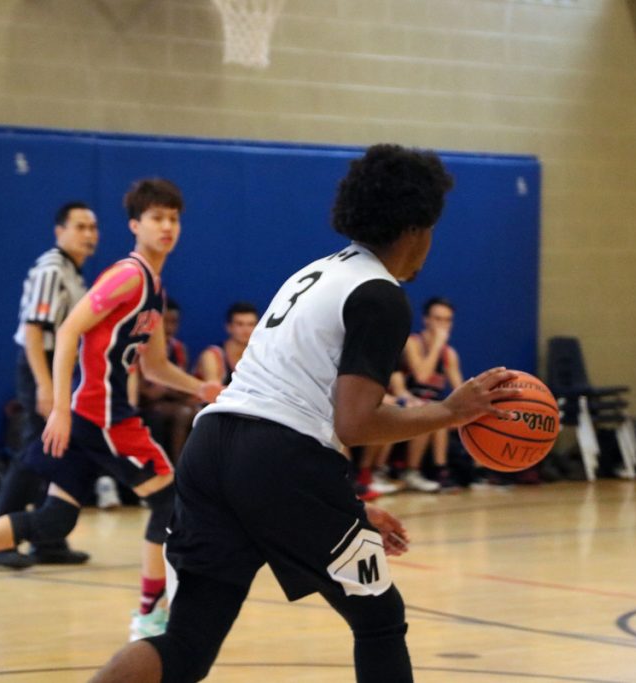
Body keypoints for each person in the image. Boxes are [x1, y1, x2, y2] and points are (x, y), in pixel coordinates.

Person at [90, 144, 519, 683]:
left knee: (184, 645)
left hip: (211, 449)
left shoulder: (314, 273)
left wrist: (347, 507)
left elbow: (293, 408)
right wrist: (451, 412)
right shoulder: (381, 295)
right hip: (276, 461)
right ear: (414, 228)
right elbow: (353, 423)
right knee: (379, 618)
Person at [0, 179, 221, 642]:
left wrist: (202, 388)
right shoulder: (128, 275)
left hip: (92, 416)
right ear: (135, 225)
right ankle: (150, 614)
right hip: (103, 414)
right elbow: (70, 329)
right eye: (156, 218)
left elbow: (153, 366)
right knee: (167, 501)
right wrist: (58, 406)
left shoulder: (153, 286)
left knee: (55, 520)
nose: (167, 226)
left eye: (173, 218)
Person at [0, 201, 99, 570]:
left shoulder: (72, 273)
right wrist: (46, 387)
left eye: (93, 227)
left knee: (57, 452)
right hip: (40, 367)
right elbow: (33, 333)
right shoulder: (51, 269)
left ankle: (49, 541)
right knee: (35, 451)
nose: (89, 235)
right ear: (59, 230)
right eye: (80, 227)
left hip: (60, 370)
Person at [399, 297, 465, 492]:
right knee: (430, 413)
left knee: (441, 415)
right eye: (437, 319)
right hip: (404, 404)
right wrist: (436, 345)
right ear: (426, 320)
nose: (442, 325)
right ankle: (411, 471)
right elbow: (422, 376)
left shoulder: (449, 354)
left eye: (447, 320)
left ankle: (441, 472)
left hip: (430, 408)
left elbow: (460, 390)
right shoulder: (413, 342)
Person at [139, 298, 198, 462]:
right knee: (178, 413)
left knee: (197, 412)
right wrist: (172, 386)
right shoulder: (140, 347)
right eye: (166, 322)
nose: (169, 328)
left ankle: (190, 466)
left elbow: (183, 391)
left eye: (174, 322)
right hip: (144, 405)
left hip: (168, 402)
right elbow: (146, 393)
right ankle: (175, 465)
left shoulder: (179, 349)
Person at [193, 301, 259, 386]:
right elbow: (213, 393)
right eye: (240, 324)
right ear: (229, 327)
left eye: (251, 324)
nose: (246, 330)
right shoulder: (211, 356)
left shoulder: (261, 355)